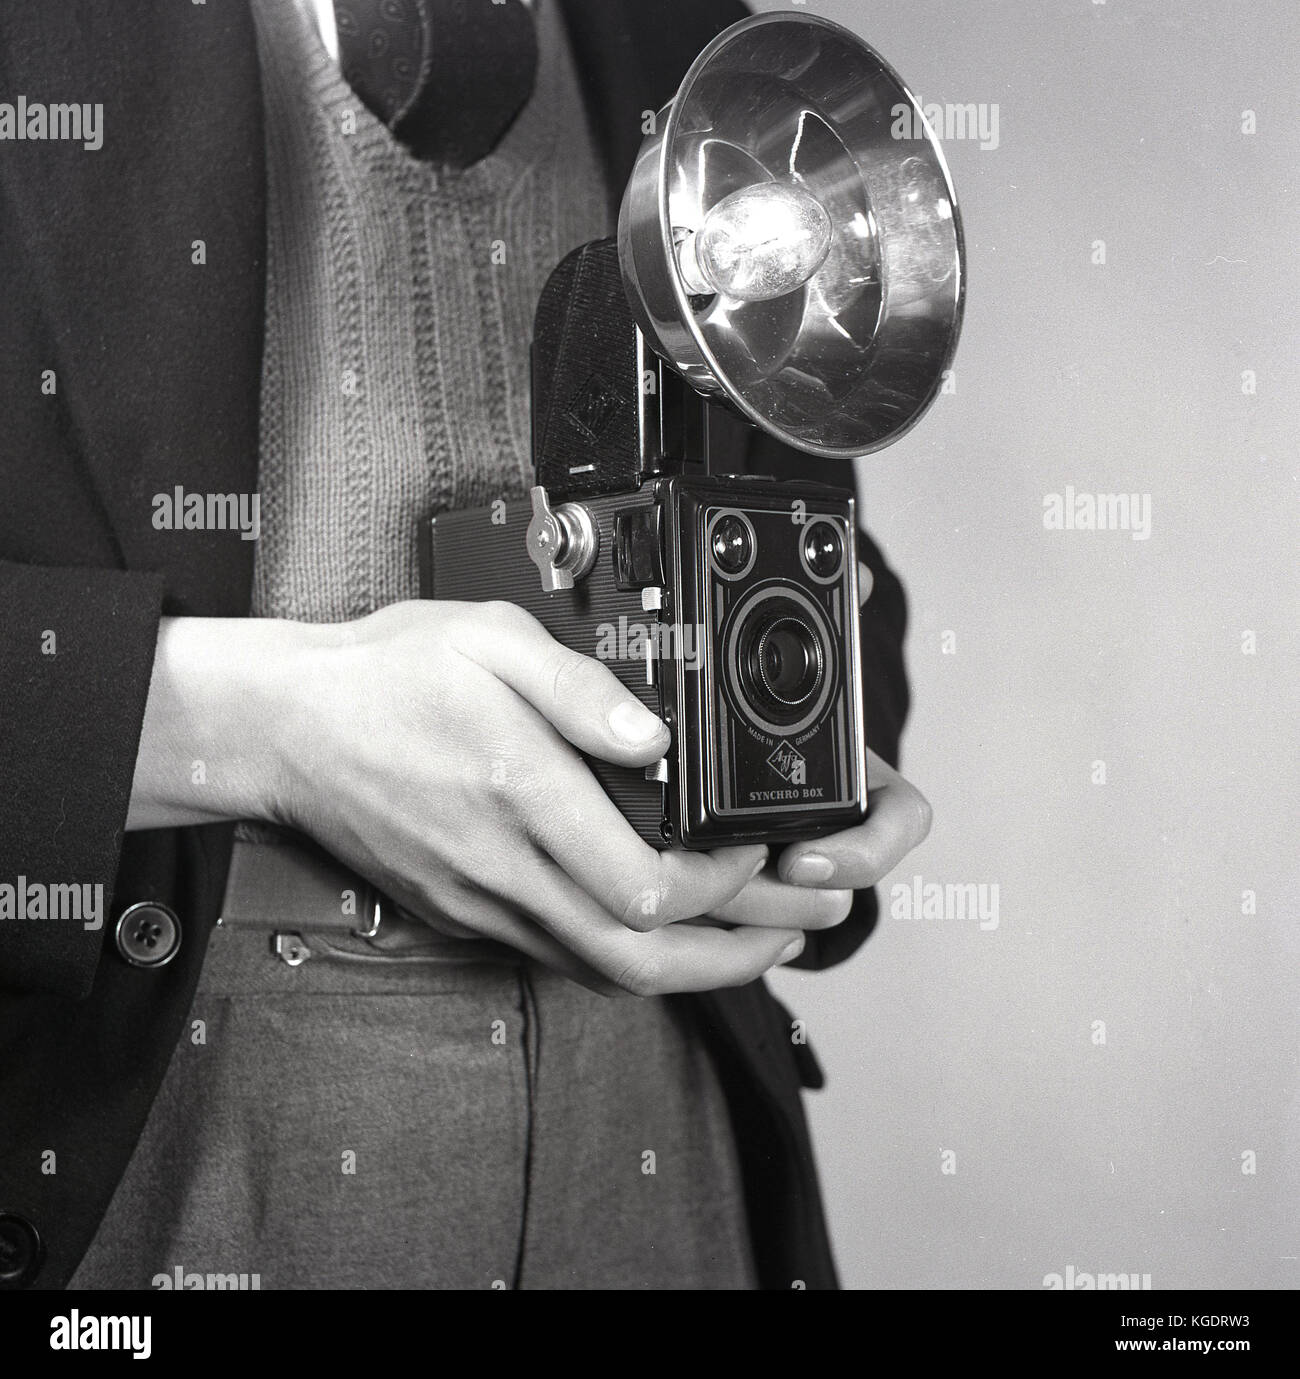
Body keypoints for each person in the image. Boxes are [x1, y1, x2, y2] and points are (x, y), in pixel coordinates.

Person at [0, 0, 929, 1291]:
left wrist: (806, 792)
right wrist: (247, 728)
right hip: (169, 1175)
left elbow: (816, 565)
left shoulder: (698, 41)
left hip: (664, 1166)